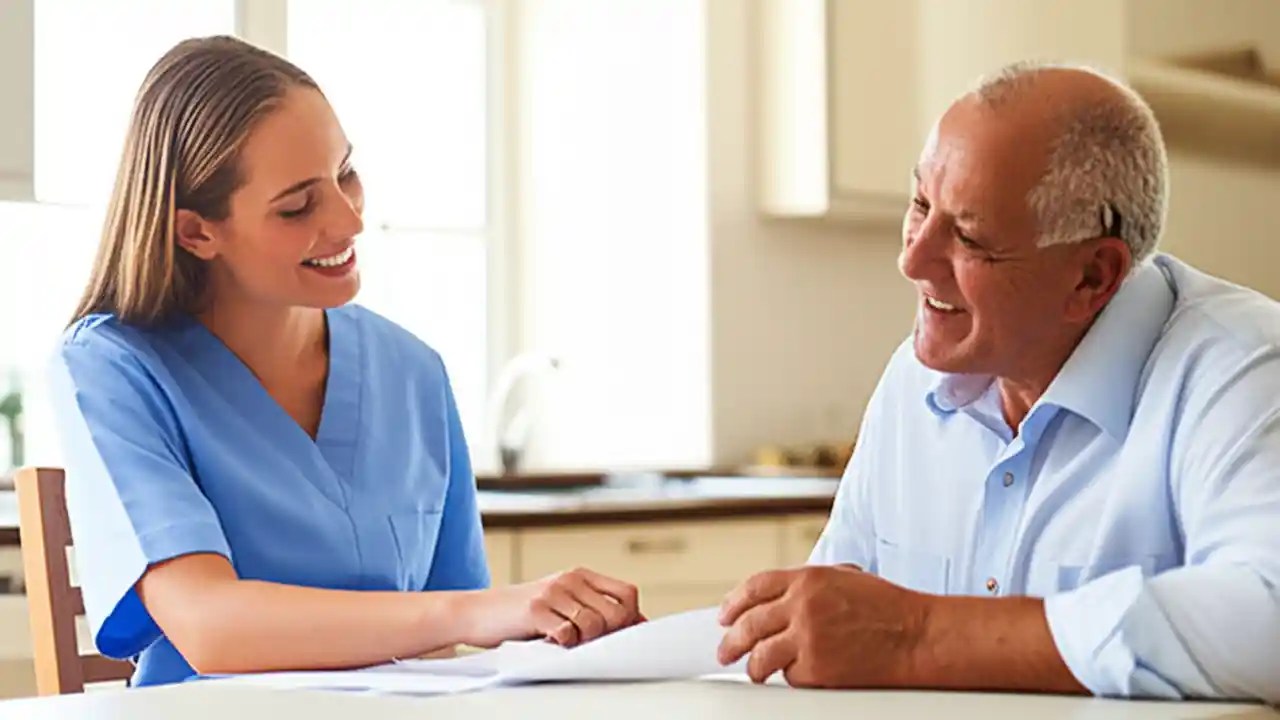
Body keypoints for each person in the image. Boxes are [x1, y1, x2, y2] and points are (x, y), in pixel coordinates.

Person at [48, 35, 642, 688]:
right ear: (197, 231)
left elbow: (449, 649)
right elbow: (208, 625)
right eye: (298, 206)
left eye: (346, 174)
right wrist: (474, 612)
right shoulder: (114, 367)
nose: (349, 218)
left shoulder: (413, 372)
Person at [716, 62, 1280, 703]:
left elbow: (1270, 617)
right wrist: (607, 651)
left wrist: (917, 636)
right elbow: (821, 632)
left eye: (969, 237)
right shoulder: (913, 382)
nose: (912, 259)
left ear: (1092, 276)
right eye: (921, 205)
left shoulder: (1244, 368)